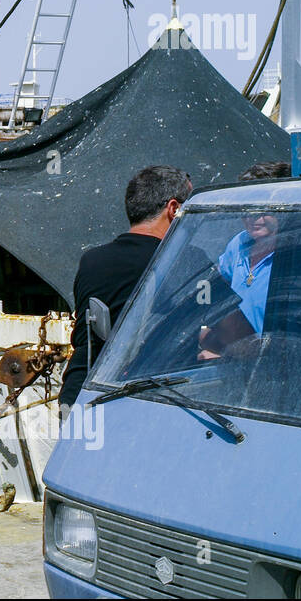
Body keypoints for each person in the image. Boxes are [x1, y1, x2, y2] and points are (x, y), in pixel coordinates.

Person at [59, 165, 193, 416]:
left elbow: (85, 338)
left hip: (78, 396)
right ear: (174, 209)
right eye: (191, 208)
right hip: (144, 404)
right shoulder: (185, 262)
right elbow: (233, 333)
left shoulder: (92, 261)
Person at [199, 160, 290, 356]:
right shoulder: (238, 245)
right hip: (233, 359)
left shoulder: (294, 253)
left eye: (263, 208)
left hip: (272, 361)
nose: (252, 217)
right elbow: (211, 291)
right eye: (246, 208)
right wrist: (205, 329)